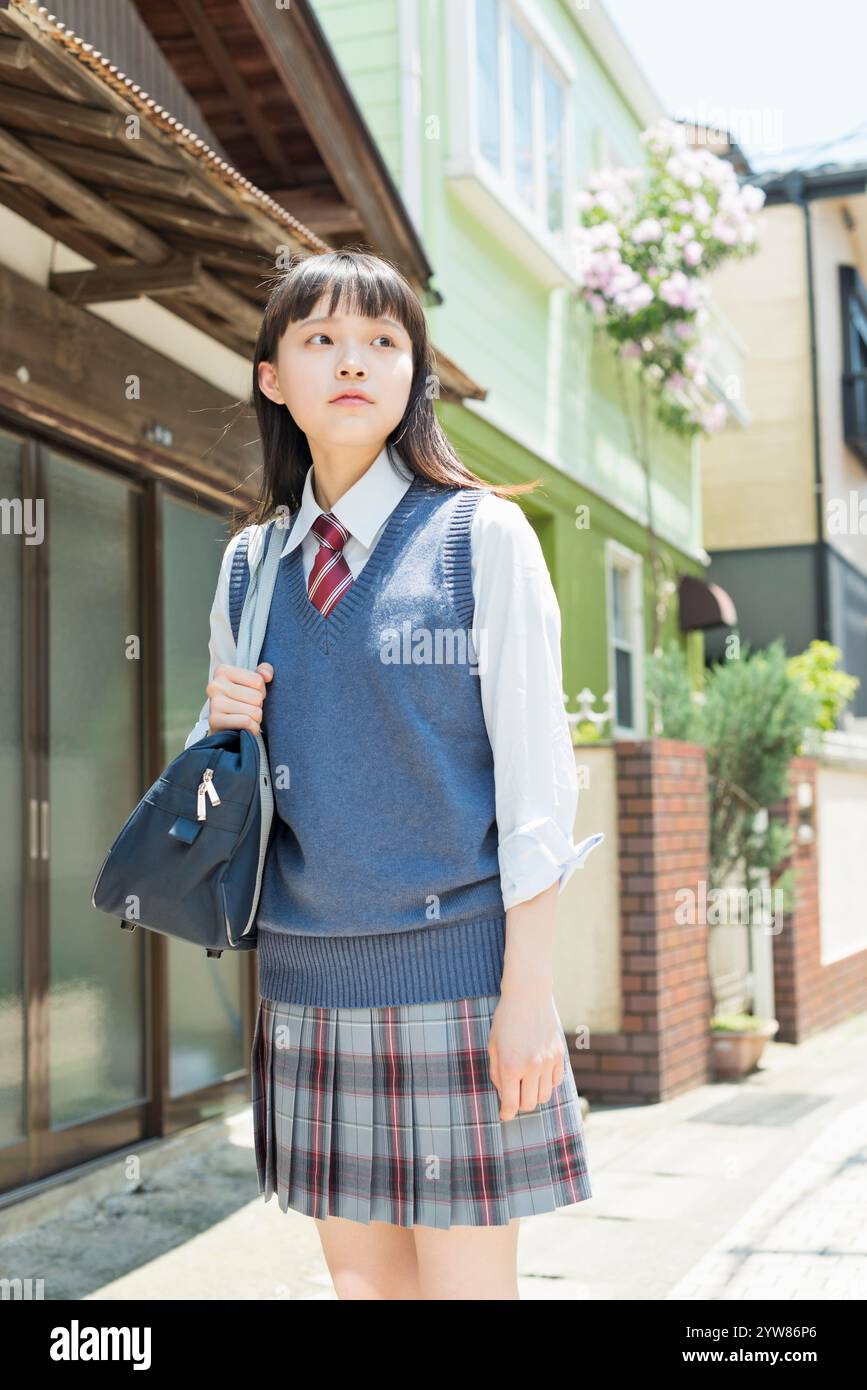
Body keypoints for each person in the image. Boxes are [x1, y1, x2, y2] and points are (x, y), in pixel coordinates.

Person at [186, 248, 604, 1300]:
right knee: (367, 1296)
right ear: (273, 376)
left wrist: (529, 995)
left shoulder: (481, 536)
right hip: (305, 985)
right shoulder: (249, 565)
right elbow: (219, 796)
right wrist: (216, 725)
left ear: (415, 371)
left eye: (382, 339)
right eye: (320, 339)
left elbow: (538, 787)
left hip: (462, 981)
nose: (353, 361)